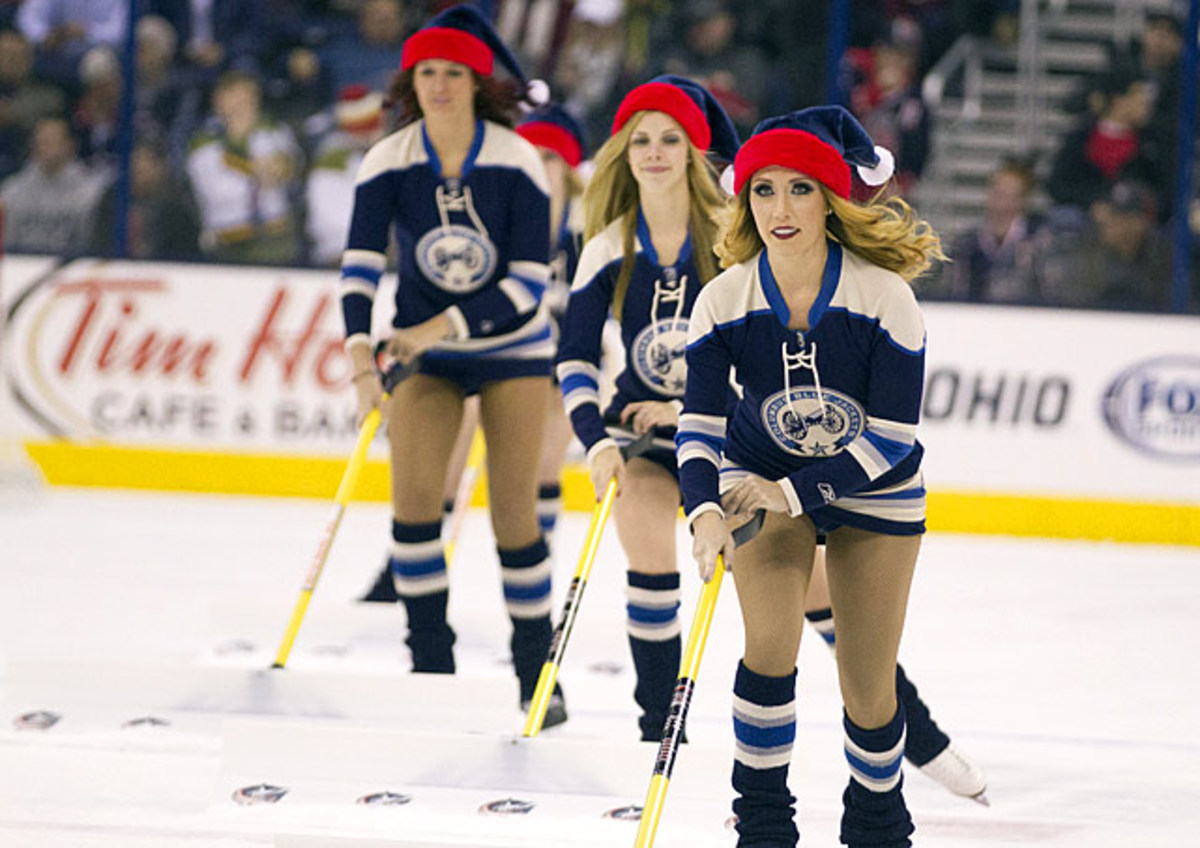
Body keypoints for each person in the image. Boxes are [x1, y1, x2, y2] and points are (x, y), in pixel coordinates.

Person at [677, 105, 949, 846]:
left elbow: (892, 439)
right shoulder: (722, 300)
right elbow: (699, 426)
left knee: (867, 687)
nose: (780, 209)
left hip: (874, 490)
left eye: (800, 189)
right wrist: (703, 512)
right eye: (763, 190)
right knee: (768, 651)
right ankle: (763, 827)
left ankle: (877, 826)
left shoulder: (886, 298)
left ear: (831, 198)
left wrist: (792, 492)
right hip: (759, 475)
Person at [339, 5, 567, 726]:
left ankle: (538, 676)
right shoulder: (388, 160)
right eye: (426, 73)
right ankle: (429, 669)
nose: (438, 85)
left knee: (513, 523)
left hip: (514, 351)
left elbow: (530, 283)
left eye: (453, 73)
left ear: (476, 82)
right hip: (423, 356)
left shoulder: (515, 160)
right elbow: (359, 267)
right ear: (411, 84)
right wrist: (357, 357)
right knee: (412, 517)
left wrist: (437, 324)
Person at [555, 74, 739, 742]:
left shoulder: (730, 235)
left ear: (694, 150)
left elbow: (764, 352)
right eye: (641, 141)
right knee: (650, 559)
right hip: (636, 435)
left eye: (671, 139)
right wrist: (596, 442)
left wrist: (691, 406)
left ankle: (908, 726)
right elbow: (574, 359)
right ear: (623, 155)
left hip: (731, 436)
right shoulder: (607, 245)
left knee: (809, 598)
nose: (655, 152)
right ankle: (659, 730)